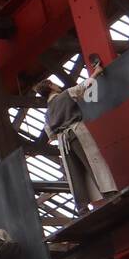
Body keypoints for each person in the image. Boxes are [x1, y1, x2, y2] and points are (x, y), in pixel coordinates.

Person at [34, 63, 116, 211]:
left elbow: (50, 135)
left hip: (62, 141)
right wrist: (96, 72)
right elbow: (83, 86)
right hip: (77, 131)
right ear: (51, 86)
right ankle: (109, 192)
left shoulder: (47, 113)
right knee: (92, 162)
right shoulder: (66, 94)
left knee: (74, 172)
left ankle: (82, 206)